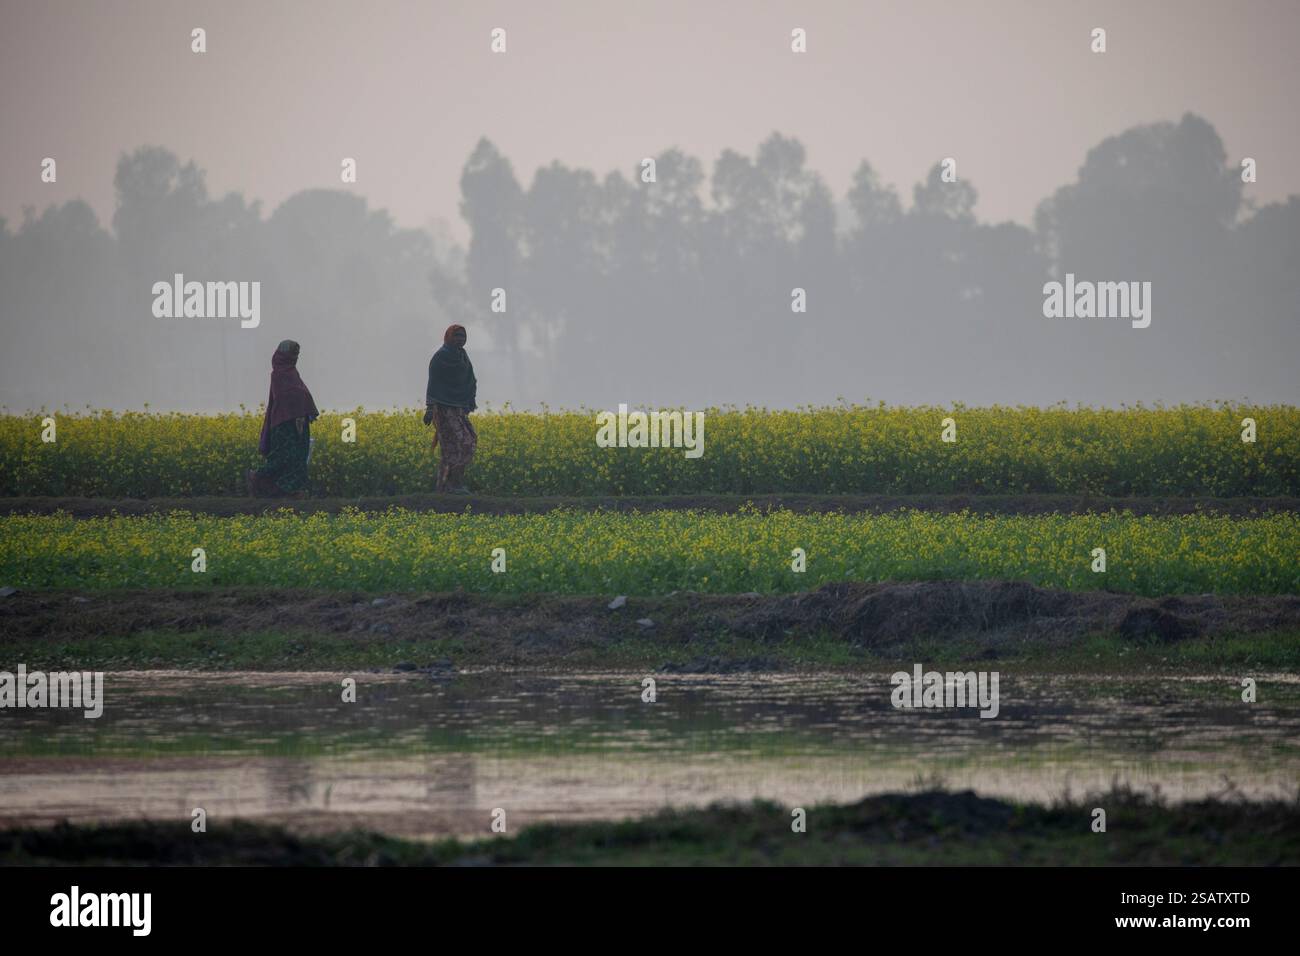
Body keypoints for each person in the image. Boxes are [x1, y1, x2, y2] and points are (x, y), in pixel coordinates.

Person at [247, 339, 319, 497]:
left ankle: (289, 491)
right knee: (287, 458)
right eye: (294, 353)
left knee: (294, 458)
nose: (297, 357)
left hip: (284, 422)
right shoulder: (284, 374)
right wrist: (300, 416)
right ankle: (259, 478)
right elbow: (292, 398)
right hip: (288, 424)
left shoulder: (284, 373)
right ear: (287, 355)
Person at [424, 324, 477, 494]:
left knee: (468, 442)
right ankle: (452, 485)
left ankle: (450, 485)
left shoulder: (462, 356)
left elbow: (470, 378)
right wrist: (430, 408)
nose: (460, 339)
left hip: (459, 408)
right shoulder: (440, 357)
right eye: (457, 336)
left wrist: (470, 400)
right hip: (443, 409)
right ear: (449, 337)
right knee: (458, 444)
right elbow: (433, 382)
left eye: (463, 336)